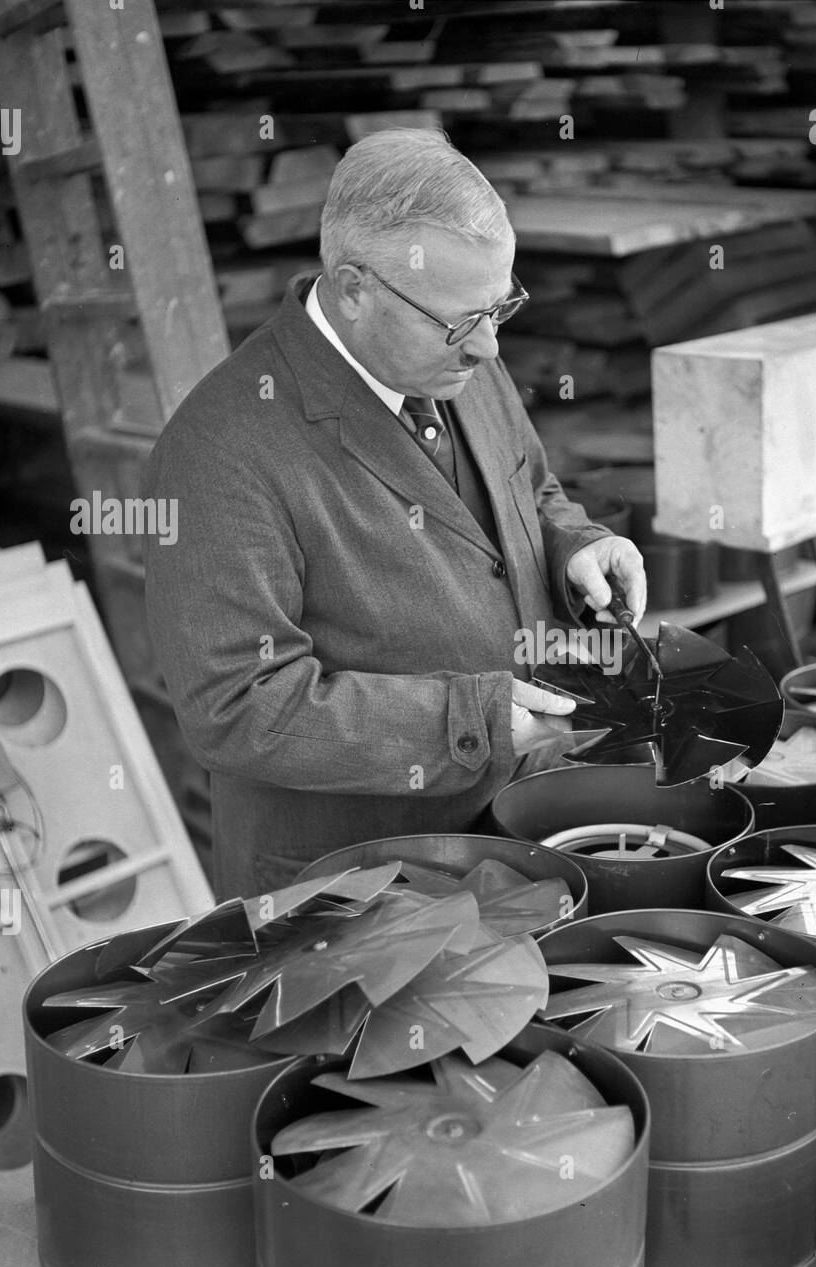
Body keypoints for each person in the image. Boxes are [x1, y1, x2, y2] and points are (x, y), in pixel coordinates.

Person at [144, 128, 646, 898]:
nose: (489, 348)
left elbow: (532, 486)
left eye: (501, 308)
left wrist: (574, 544)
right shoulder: (217, 451)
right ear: (353, 289)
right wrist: (471, 720)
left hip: (515, 830)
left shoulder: (458, 353)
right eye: (458, 322)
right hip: (358, 885)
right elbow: (238, 707)